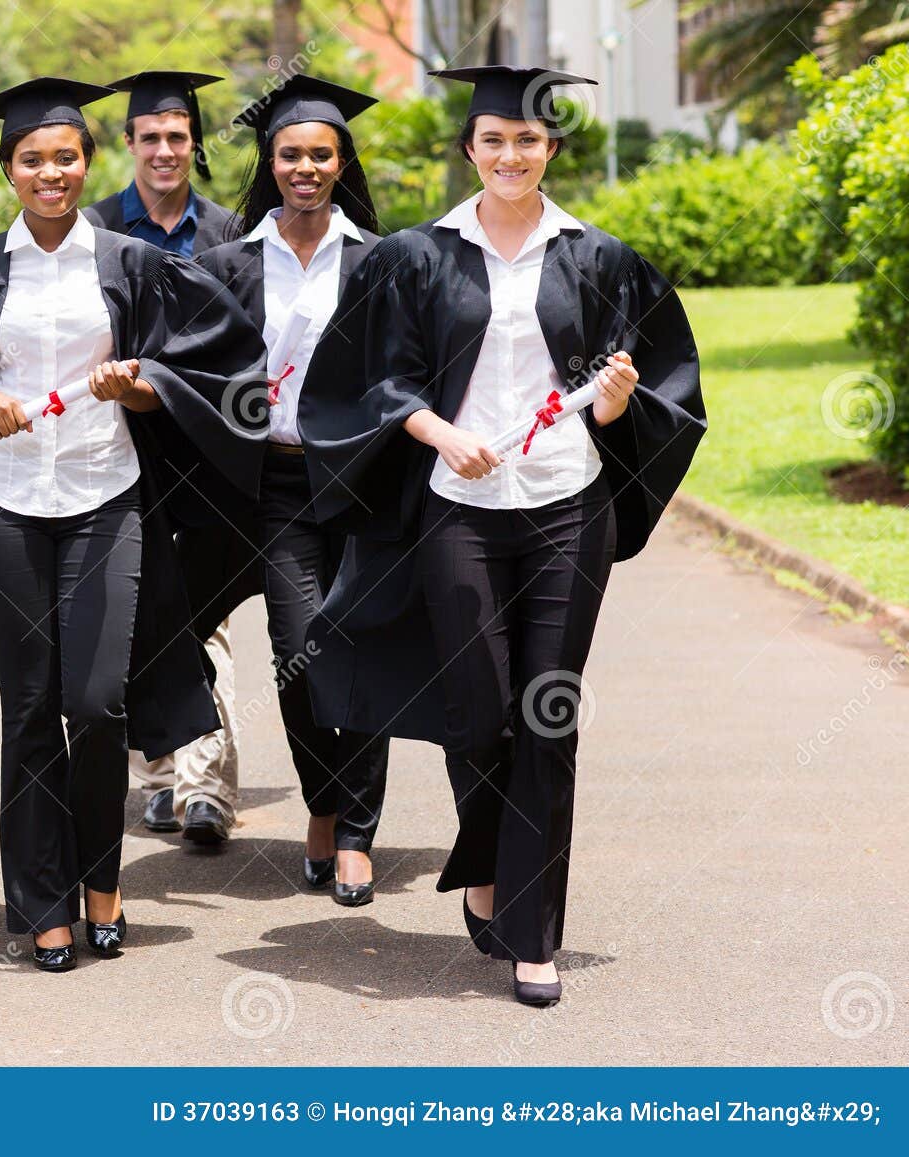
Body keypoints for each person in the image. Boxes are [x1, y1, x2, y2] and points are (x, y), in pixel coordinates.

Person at [299, 66, 707, 1004]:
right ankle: (483, 854)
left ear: (550, 149)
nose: (510, 156)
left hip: (569, 505)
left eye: (527, 141)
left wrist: (614, 406)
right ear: (470, 150)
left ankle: (531, 932)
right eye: (492, 141)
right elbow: (364, 376)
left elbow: (659, 382)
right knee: (479, 709)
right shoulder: (417, 256)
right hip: (459, 508)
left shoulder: (597, 258)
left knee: (547, 713)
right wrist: (439, 431)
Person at [0, 77, 267, 972]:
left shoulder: (133, 266)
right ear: (11, 169)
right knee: (29, 709)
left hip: (107, 496)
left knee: (96, 705)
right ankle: (42, 905)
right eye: (33, 159)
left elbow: (213, 364)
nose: (51, 172)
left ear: (86, 162)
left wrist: (138, 386)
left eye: (66, 157)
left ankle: (104, 882)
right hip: (6, 504)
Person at [189, 75, 391, 902]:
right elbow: (194, 370)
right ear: (270, 164)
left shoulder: (383, 259)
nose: (304, 167)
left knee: (364, 651)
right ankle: (323, 801)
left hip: (364, 481)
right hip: (277, 483)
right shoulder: (228, 264)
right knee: (299, 653)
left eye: (320, 154)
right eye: (289, 154)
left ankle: (355, 835)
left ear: (341, 163)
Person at [84, 70, 241, 847]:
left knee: (199, 605)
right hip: (113, 443)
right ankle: (158, 769)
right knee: (134, 605)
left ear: (193, 143)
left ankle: (203, 782)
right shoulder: (88, 229)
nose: (165, 150)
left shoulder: (229, 233)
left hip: (204, 444)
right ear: (129, 143)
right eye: (150, 136)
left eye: (178, 136)